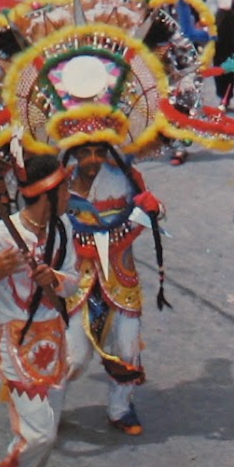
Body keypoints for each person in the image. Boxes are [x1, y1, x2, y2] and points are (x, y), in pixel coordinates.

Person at [0, 154, 78, 467]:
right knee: (40, 436)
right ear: (46, 195)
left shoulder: (63, 227)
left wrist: (52, 278)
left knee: (42, 436)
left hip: (54, 342)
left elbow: (73, 283)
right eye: (65, 188)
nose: (71, 194)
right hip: (13, 345)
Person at [63, 142, 164, 436]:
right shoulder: (60, 182)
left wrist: (154, 209)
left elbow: (149, 207)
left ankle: (120, 408)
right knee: (75, 358)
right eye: (84, 152)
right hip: (75, 281)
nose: (93, 159)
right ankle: (47, 409)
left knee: (127, 348)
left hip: (120, 279)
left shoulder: (125, 176)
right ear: (73, 153)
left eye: (98, 151)